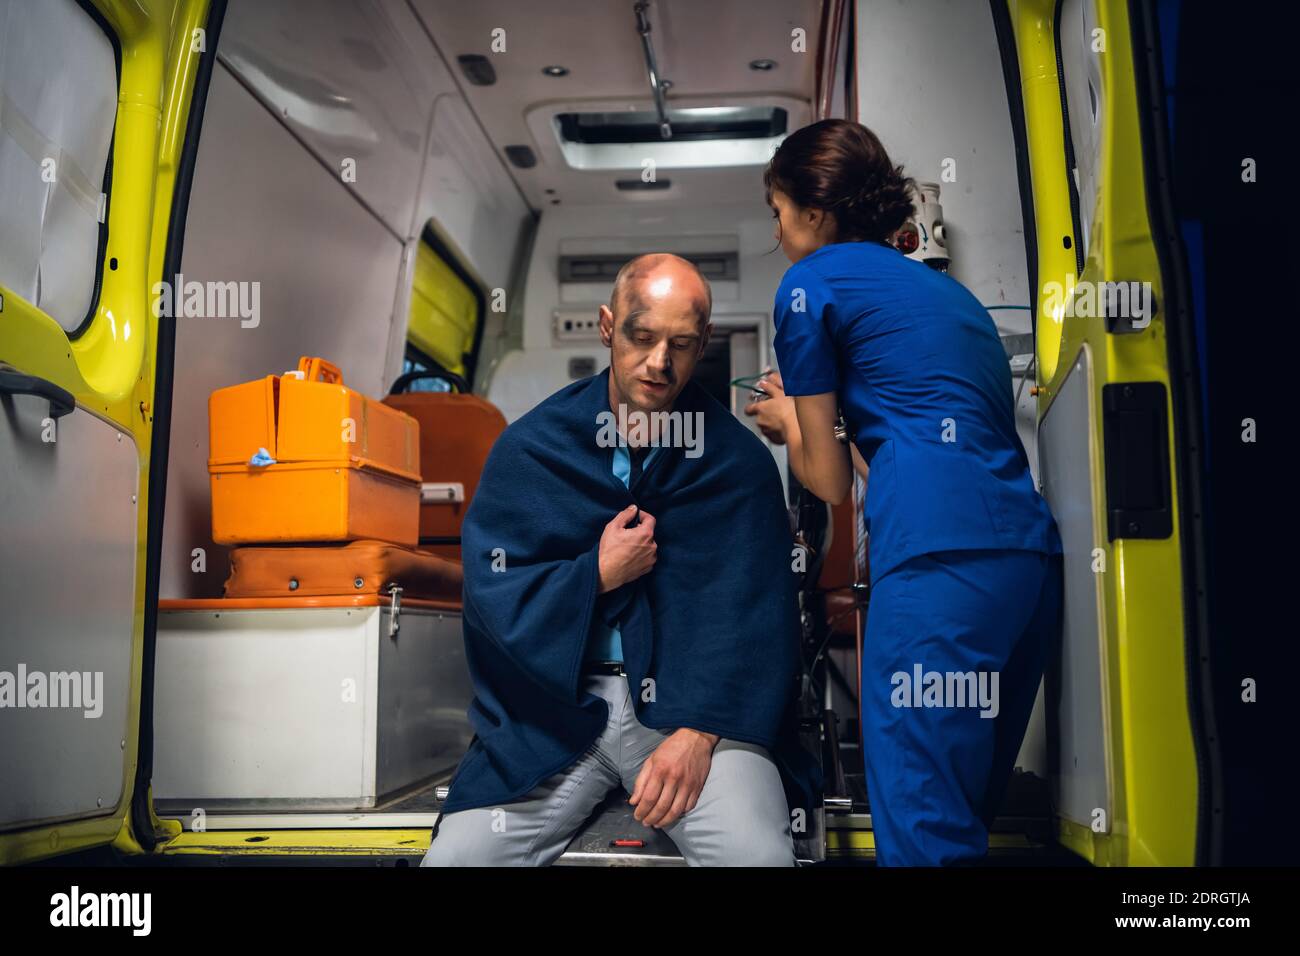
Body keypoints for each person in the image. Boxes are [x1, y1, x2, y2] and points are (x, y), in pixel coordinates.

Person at [422, 253, 819, 867]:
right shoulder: (532, 448)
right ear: (608, 326)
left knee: (758, 856)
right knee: (458, 861)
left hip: (693, 712)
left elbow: (759, 623)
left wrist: (700, 735)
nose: (659, 363)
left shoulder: (738, 465)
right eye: (641, 336)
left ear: (703, 342)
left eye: (681, 345)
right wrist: (596, 575)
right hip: (555, 711)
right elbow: (492, 595)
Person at [746, 119, 1063, 866]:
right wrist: (819, 422)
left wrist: (790, 420)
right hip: (1025, 566)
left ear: (814, 214)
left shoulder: (808, 286)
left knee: (925, 832)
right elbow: (891, 456)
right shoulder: (950, 299)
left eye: (779, 213)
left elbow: (824, 482)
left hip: (936, 573)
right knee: (961, 821)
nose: (780, 232)